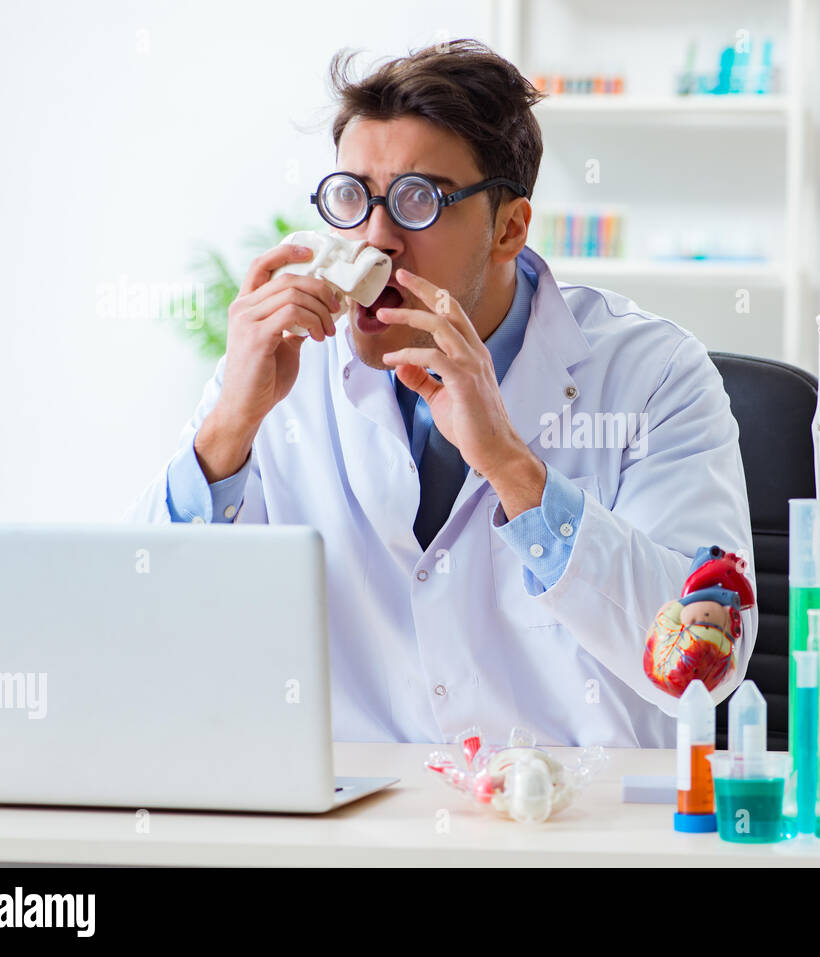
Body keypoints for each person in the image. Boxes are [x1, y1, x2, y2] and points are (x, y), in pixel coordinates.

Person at [127, 39, 755, 748]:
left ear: (509, 228)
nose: (376, 240)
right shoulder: (275, 376)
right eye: (351, 198)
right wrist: (226, 430)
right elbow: (142, 628)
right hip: (356, 823)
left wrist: (512, 468)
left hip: (581, 828)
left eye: (418, 201)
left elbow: (708, 664)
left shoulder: (655, 376)